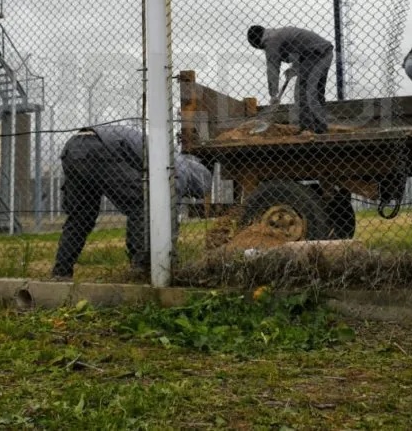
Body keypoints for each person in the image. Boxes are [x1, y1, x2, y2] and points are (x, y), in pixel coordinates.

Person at [50, 125, 212, 280]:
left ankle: (61, 272)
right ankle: (141, 267)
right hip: (101, 148)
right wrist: (170, 254)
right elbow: (168, 214)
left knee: (80, 217)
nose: (187, 197)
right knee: (143, 203)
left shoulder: (173, 157)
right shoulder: (180, 171)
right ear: (196, 183)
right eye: (191, 194)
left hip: (74, 147)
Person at [247, 25, 333, 134]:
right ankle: (320, 128)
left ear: (257, 43)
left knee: (302, 91)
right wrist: (293, 69)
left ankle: (308, 129)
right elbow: (300, 50)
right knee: (316, 92)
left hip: (314, 53)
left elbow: (272, 69)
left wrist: (273, 94)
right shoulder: (278, 34)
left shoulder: (270, 41)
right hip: (324, 52)